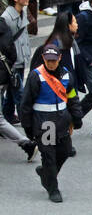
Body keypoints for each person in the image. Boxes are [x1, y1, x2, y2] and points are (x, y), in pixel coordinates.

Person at [20, 44, 81, 203]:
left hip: (62, 122)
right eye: (48, 61)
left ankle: (46, 173)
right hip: (45, 125)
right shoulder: (36, 76)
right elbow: (26, 103)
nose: (51, 63)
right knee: (49, 157)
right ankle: (53, 188)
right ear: (43, 59)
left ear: (60, 58)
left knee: (66, 151)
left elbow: (72, 96)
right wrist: (27, 126)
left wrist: (77, 115)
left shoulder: (66, 75)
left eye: (54, 60)